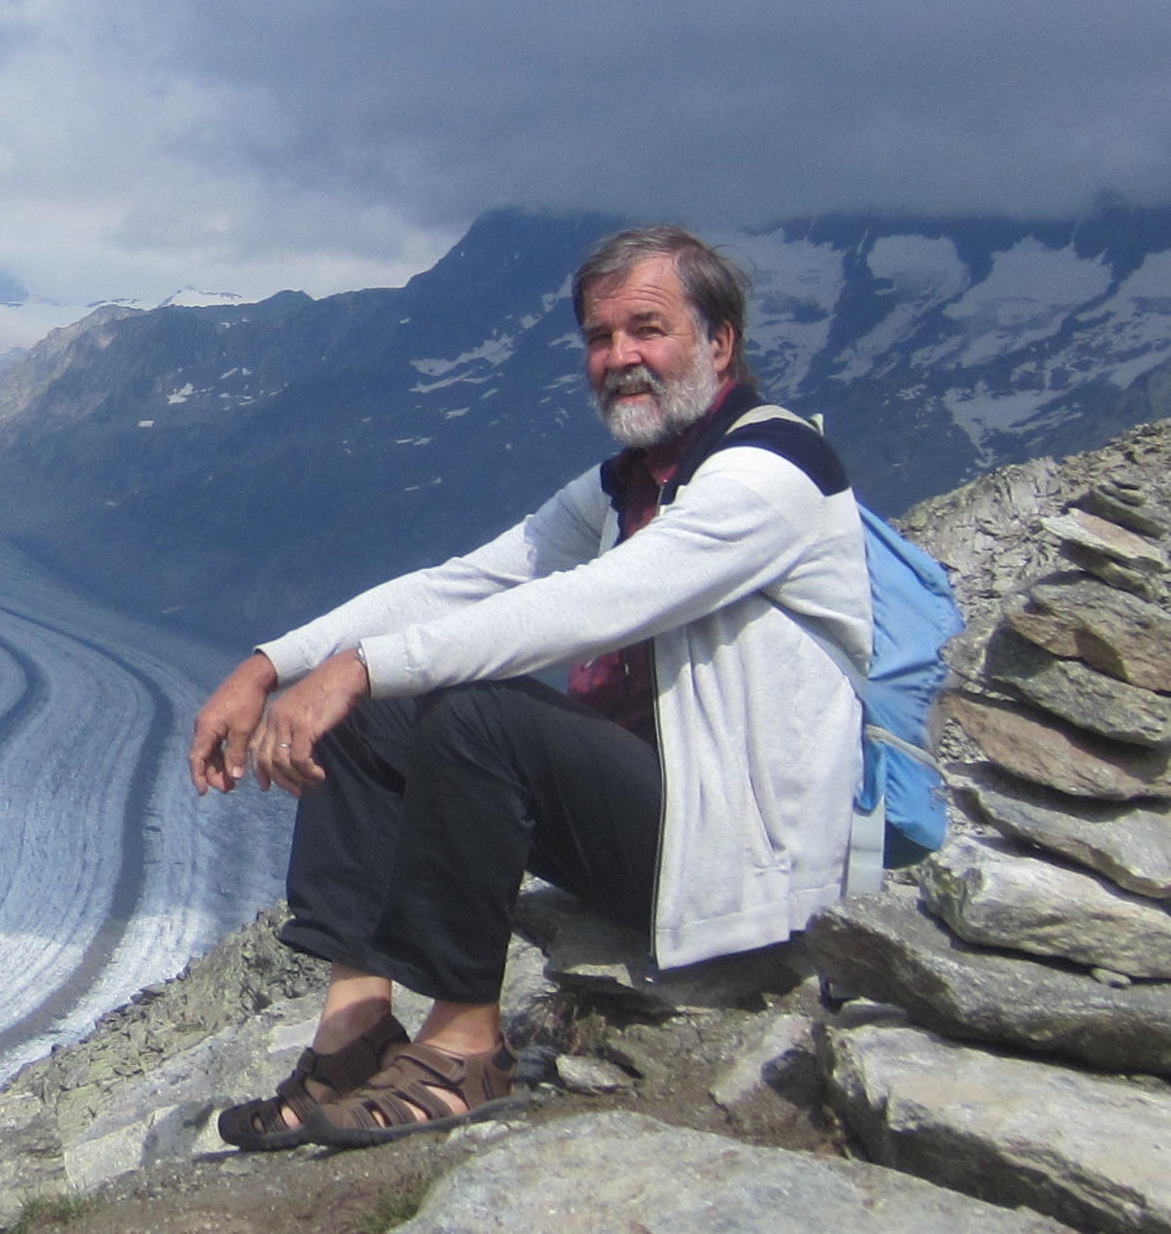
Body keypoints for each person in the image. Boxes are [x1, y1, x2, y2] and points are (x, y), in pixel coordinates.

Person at [187, 225, 871, 1152]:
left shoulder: (771, 473)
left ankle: (466, 1046)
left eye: (648, 329)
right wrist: (273, 665)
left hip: (740, 863)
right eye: (600, 337)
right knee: (373, 710)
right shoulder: (629, 484)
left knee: (477, 710)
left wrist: (357, 667)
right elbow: (466, 582)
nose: (620, 357)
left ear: (719, 343)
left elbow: (589, 605)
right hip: (656, 827)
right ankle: (353, 1037)